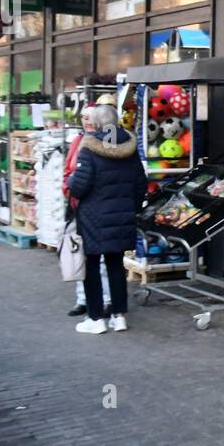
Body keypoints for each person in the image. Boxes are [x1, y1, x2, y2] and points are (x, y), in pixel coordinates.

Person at [67, 103, 146, 334]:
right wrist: (129, 207)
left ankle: (95, 319)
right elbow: (140, 184)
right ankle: (119, 316)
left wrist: (71, 184)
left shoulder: (89, 148)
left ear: (98, 124)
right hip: (122, 217)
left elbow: (79, 186)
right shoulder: (130, 150)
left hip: (93, 217)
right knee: (115, 265)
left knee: (91, 266)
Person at [63, 107, 111, 318]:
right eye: (84, 118)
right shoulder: (77, 141)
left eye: (91, 118)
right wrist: (67, 188)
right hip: (77, 204)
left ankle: (107, 300)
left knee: (99, 258)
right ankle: (83, 299)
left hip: (96, 205)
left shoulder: (106, 143)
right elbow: (68, 170)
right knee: (78, 252)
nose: (87, 122)